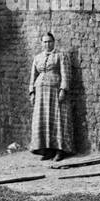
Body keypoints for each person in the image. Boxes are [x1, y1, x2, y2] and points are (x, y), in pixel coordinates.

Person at [28, 32, 73, 161]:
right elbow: (33, 76)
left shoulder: (60, 56)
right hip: (40, 93)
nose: (47, 44)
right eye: (45, 42)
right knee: (43, 120)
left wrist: (63, 89)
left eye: (49, 42)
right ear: (41, 43)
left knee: (58, 119)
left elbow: (65, 74)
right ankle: (47, 150)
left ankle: (60, 150)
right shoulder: (37, 58)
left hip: (55, 91)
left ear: (54, 43)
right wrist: (32, 92)